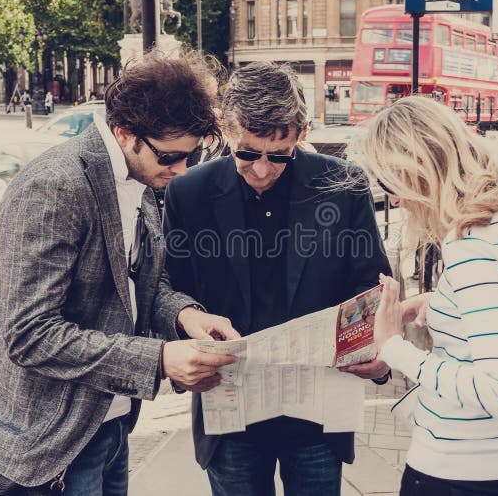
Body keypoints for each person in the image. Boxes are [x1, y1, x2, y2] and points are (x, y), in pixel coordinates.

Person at [0, 51, 240, 494]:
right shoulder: (55, 186)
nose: (181, 172)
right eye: (171, 157)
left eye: (191, 157)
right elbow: (29, 334)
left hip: (110, 426)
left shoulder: (144, 178)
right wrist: (158, 360)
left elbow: (141, 285)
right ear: (124, 132)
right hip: (45, 445)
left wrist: (185, 316)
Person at [164, 61, 392, 496]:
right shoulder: (187, 192)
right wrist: (183, 352)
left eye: (279, 155)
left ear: (302, 131)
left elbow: (372, 284)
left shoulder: (344, 184)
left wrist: (381, 356)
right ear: (227, 128)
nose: (263, 169)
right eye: (247, 153)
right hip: (229, 414)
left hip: (318, 414)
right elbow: (172, 291)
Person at [362, 96, 498, 495]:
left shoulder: (470, 243)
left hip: (461, 472)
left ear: (417, 171)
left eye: (390, 183)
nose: (396, 199)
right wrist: (438, 304)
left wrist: (393, 348)